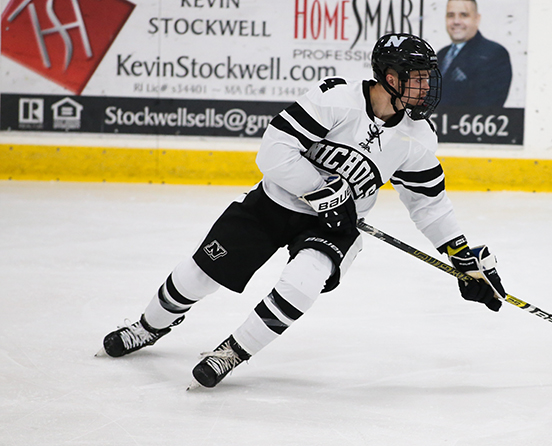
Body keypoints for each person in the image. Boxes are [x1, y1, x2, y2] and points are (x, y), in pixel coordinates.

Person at [98, 33, 508, 389]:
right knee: (198, 276)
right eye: (416, 78)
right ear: (389, 77)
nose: (425, 87)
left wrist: (463, 257)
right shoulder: (336, 99)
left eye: (426, 77)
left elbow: (429, 204)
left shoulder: (416, 137)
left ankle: (231, 352)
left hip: (338, 227)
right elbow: (273, 153)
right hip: (274, 203)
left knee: (303, 281)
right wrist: (323, 193)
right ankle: (148, 327)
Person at [437, 0, 512, 107]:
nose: (456, 21)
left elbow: (487, 106)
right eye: (450, 15)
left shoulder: (494, 54)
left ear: (477, 19)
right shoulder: (441, 55)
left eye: (464, 15)